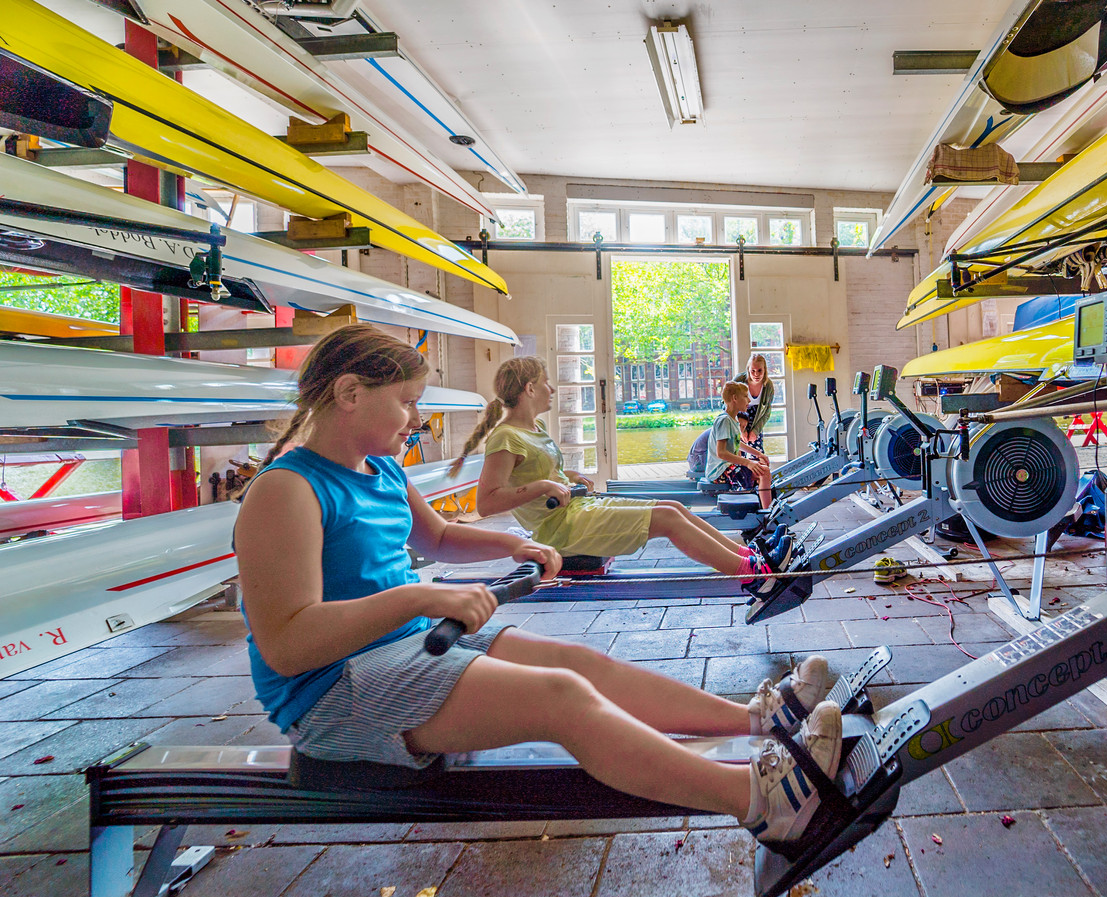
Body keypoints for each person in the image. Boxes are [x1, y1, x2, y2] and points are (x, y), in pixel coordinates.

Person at [234, 324, 843, 847]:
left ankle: (758, 720)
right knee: (560, 698)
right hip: (330, 695)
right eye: (406, 402)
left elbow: (439, 539)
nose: (417, 420)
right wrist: (422, 597)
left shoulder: (383, 471)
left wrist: (512, 545)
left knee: (578, 664)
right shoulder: (286, 490)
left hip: (405, 649)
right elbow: (288, 646)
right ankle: (766, 803)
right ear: (349, 393)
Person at [453, 355, 791, 584]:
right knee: (670, 520)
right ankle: (752, 575)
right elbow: (488, 503)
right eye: (545, 383)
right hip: (560, 529)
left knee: (672, 508)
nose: (551, 389)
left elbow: (536, 475)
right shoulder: (506, 437)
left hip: (576, 509)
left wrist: (566, 477)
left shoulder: (534, 431)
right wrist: (544, 486)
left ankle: (752, 554)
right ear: (529, 389)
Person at [705, 381, 773, 509]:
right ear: (735, 398)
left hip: (726, 467)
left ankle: (762, 505)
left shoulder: (732, 419)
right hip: (719, 471)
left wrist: (758, 454)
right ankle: (767, 512)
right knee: (764, 472)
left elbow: (738, 444)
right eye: (745, 396)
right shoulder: (724, 420)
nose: (749, 400)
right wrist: (747, 462)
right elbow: (721, 453)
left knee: (762, 467)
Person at [734, 353, 775, 453]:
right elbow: (726, 404)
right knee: (738, 454)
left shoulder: (768, 385)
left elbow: (767, 412)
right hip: (738, 421)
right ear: (748, 370)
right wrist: (741, 428)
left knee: (757, 454)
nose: (756, 374)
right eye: (753, 371)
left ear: (764, 370)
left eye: (760, 370)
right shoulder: (739, 380)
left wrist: (755, 431)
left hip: (756, 422)